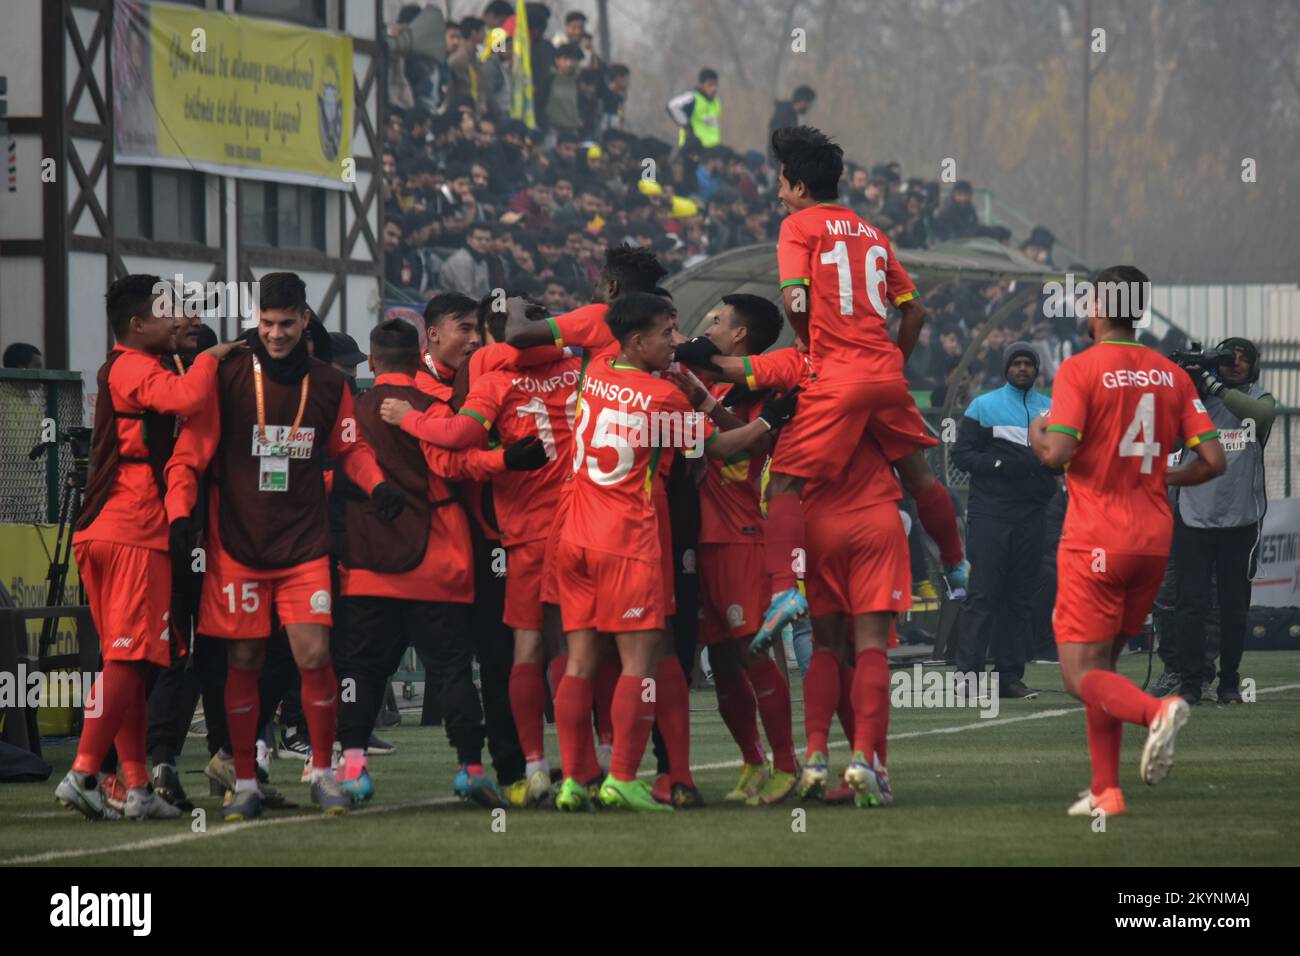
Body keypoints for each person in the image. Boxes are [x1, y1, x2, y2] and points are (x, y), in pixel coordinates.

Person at [710, 126, 965, 650]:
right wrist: (895, 360)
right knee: (918, 475)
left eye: (781, 183)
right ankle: (958, 566)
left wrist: (812, 350)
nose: (778, 193)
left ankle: (783, 590)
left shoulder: (797, 227)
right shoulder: (871, 232)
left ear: (799, 186)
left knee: (784, 484)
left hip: (837, 374)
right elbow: (914, 309)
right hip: (886, 375)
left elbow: (796, 302)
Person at [164, 272, 404, 821]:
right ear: (257, 319)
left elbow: (352, 447)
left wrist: (378, 485)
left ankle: (323, 773)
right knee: (242, 661)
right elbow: (189, 455)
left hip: (304, 549)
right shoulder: (226, 375)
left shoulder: (327, 383)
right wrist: (180, 513)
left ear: (303, 319)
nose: (275, 334)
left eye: (286, 323)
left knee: (315, 656)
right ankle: (245, 779)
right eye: (266, 324)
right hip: (238, 550)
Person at [1029, 264, 1225, 818]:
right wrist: (1166, 477)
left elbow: (1057, 456)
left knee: (1078, 674)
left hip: (1096, 537)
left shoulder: (1079, 369)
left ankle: (1155, 711)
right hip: (1152, 539)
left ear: (1097, 306)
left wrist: (1036, 432)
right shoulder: (1171, 375)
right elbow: (1214, 460)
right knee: (1103, 667)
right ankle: (1106, 791)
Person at [332, 319, 546, 804]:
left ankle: (353, 769)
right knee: (451, 668)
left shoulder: (352, 411)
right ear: (417, 357)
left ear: (371, 360)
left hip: (371, 561)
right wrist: (504, 461)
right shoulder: (440, 409)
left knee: (360, 669)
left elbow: (336, 471)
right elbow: (459, 465)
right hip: (439, 561)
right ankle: (470, 767)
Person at [54, 274, 244, 821]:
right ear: (137, 325)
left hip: (114, 530)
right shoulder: (136, 366)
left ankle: (136, 785)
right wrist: (215, 355)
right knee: (128, 657)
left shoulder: (133, 364)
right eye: (167, 312)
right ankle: (85, 771)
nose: (178, 318)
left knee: (131, 662)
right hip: (132, 530)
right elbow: (187, 395)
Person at [663, 295, 801, 806]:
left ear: (741, 335)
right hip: (701, 539)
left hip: (739, 535)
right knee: (720, 659)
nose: (707, 325)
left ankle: (788, 763)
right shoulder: (717, 388)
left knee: (752, 650)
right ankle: (752, 760)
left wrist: (758, 420)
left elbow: (729, 446)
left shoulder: (765, 389)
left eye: (716, 319)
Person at [1166, 338, 1275, 704]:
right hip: (1194, 517)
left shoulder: (1260, 398)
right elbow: (1165, 430)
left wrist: (1216, 385)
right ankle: (1191, 682)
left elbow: (1260, 418)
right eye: (1229, 356)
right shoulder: (1195, 401)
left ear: (1254, 366)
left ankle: (1229, 680)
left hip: (1240, 519)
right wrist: (1181, 380)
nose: (1236, 363)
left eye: (1243, 359)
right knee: (1191, 604)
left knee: (1233, 607)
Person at [951, 342, 1058, 699]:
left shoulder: (1053, 409)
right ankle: (968, 675)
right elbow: (961, 454)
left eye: (1029, 363)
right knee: (983, 594)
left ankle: (1009, 677)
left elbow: (1064, 453)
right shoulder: (983, 405)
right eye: (1017, 363)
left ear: (1037, 369)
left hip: (1032, 515)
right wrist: (1001, 466)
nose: (1023, 369)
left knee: (1020, 597)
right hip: (991, 514)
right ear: (1006, 369)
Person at [666, 68, 721, 149]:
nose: (713, 88)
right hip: (694, 149)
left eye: (715, 85)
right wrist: (686, 125)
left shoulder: (716, 103)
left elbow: (712, 126)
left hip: (712, 148)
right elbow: (672, 106)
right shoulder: (692, 97)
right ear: (701, 85)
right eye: (710, 85)